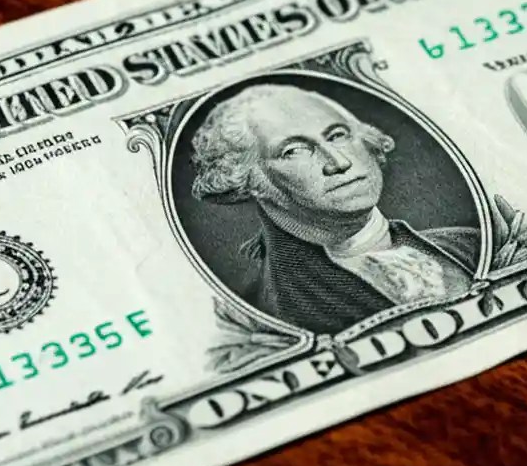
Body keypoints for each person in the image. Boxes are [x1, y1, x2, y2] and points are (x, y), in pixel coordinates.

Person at [190, 83, 479, 335]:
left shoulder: (469, 244)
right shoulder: (271, 316)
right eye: (294, 151)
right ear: (249, 180)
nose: (339, 162)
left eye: (337, 135)